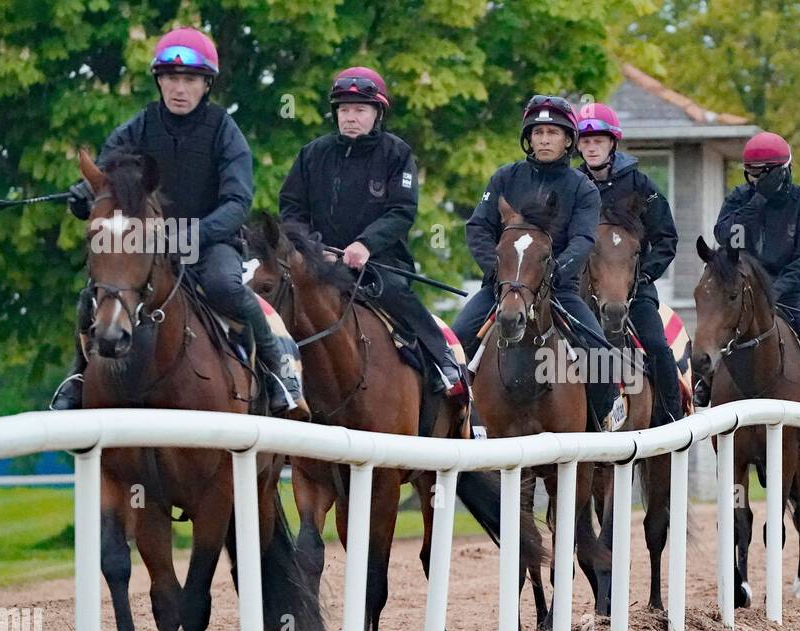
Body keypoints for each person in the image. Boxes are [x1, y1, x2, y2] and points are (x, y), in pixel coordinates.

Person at [52, 27, 305, 415]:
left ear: (206, 85)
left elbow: (237, 202)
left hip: (210, 243)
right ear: (159, 81)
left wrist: (194, 234)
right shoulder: (138, 126)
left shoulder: (224, 130)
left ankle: (278, 376)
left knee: (225, 286)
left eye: (190, 80)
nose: (179, 89)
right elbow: (105, 178)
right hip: (145, 241)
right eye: (171, 78)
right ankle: (78, 377)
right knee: (95, 291)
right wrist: (82, 194)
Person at [280, 65, 461, 395]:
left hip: (380, 261)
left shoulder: (397, 153)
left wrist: (365, 245)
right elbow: (291, 209)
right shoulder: (312, 154)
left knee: (395, 292)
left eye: (360, 110)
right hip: (320, 260)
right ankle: (271, 369)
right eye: (344, 110)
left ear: (377, 114)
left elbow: (401, 211)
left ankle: (442, 361)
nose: (350, 117)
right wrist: (313, 248)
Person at [453, 95, 619, 429]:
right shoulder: (504, 178)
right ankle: (456, 426)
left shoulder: (583, 189)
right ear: (529, 138)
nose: (544, 139)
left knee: (599, 352)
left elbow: (583, 240)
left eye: (552, 133)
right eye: (538, 132)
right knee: (454, 343)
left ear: (568, 140)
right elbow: (478, 228)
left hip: (559, 289)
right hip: (502, 287)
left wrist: (553, 272)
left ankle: (601, 426)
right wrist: (499, 272)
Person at [707, 132, 800, 405]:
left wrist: (774, 292)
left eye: (763, 174)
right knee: (713, 325)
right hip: (744, 288)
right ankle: (704, 382)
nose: (757, 180)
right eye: (752, 173)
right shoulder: (740, 198)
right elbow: (725, 236)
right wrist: (757, 201)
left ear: (782, 172)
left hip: (792, 289)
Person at [576, 102, 683, 422]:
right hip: (579, 291)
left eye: (598, 140)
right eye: (585, 141)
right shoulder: (572, 184)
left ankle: (672, 419)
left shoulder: (641, 185)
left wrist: (644, 276)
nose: (591, 147)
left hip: (633, 289)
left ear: (612, 143)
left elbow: (666, 238)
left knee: (656, 345)